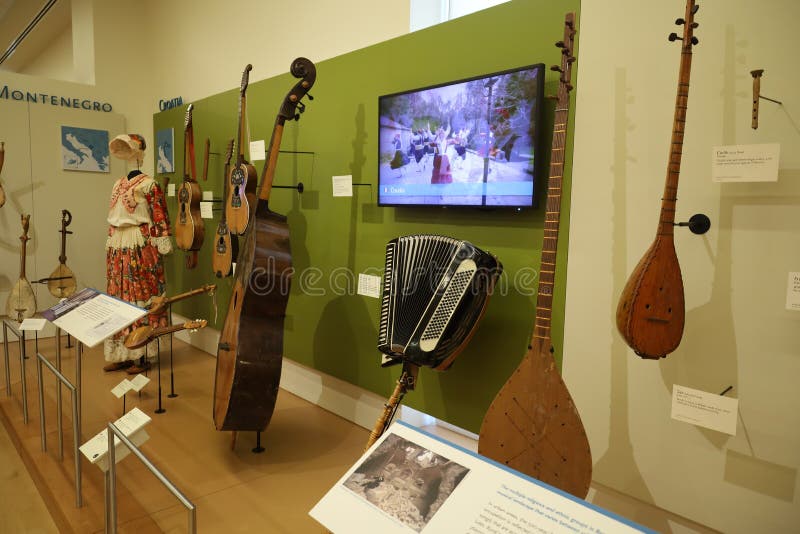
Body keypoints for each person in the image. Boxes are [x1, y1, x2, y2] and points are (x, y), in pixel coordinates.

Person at [103, 134, 172, 374]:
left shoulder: (150, 184)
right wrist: (111, 238)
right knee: (118, 296)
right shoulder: (117, 184)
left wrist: (161, 241)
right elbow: (114, 216)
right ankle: (122, 353)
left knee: (140, 294)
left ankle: (141, 354)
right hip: (118, 244)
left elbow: (160, 215)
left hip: (140, 244)